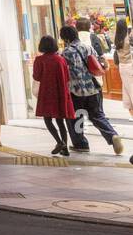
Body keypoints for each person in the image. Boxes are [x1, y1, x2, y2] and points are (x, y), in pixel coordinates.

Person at [58, 25, 125, 155]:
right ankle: (112, 135)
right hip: (93, 88)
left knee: (76, 118)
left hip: (75, 91)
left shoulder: (66, 52)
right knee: (97, 115)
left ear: (65, 38)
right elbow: (99, 62)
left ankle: (81, 144)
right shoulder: (87, 47)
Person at [33, 36, 75, 156]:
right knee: (60, 120)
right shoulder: (61, 60)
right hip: (60, 91)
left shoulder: (39, 60)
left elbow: (37, 77)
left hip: (46, 92)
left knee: (47, 119)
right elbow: (67, 77)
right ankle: (65, 148)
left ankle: (59, 142)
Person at [113, 19, 133, 114]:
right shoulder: (128, 39)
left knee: (126, 89)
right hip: (130, 65)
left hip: (122, 66)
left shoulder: (117, 38)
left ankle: (131, 111)